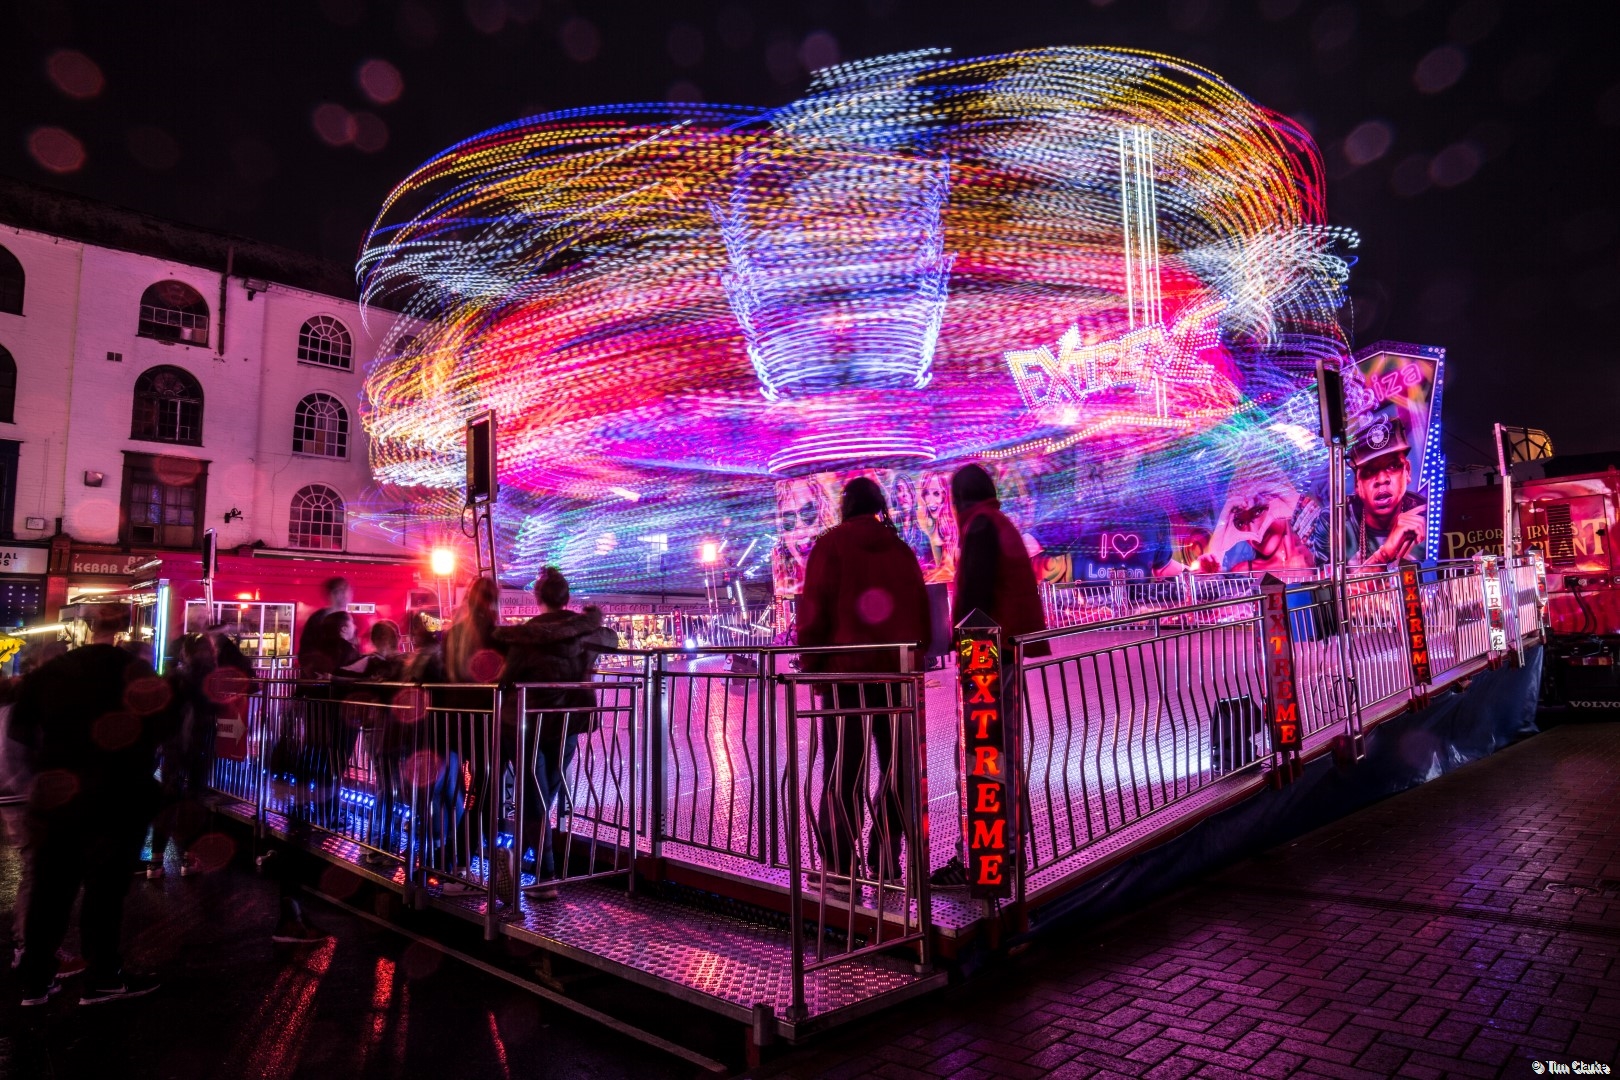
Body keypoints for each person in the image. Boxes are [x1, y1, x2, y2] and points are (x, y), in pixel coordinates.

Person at [10, 605, 174, 1005]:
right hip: (118, 797)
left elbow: (20, 733)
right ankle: (102, 976)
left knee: (51, 890)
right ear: (123, 629)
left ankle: (36, 980)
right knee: (105, 892)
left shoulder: (52, 672)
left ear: (84, 627)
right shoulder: (135, 672)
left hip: (58, 796)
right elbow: (162, 730)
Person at [797, 478, 933, 889]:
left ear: (846, 506)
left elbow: (814, 613)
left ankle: (840, 866)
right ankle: (887, 859)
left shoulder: (830, 546)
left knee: (844, 770)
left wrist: (814, 669)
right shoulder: (901, 549)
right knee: (895, 769)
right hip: (896, 677)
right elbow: (921, 612)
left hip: (846, 676)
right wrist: (915, 661)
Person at [932, 463, 1050, 889]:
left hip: (987, 655)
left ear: (958, 499)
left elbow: (975, 598)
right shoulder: (999, 522)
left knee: (981, 753)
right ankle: (1010, 846)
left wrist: (957, 641)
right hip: (1006, 650)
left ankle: (981, 858)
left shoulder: (980, 526)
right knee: (1002, 750)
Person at [492, 568, 617, 900]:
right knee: (543, 796)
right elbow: (611, 640)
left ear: (538, 597)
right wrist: (592, 620)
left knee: (534, 797)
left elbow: (506, 678)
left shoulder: (527, 636)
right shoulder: (585, 633)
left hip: (529, 722)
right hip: (568, 722)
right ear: (567, 597)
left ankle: (543, 875)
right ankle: (527, 864)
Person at [1344, 409, 1427, 569]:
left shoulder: (1427, 515)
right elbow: (1333, 584)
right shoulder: (1337, 522)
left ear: (1407, 471)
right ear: (1357, 485)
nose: (1382, 479)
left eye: (1393, 466)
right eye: (1370, 471)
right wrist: (1386, 551)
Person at [296, 577, 352, 677]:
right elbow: (307, 650)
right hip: (322, 677)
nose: (345, 595)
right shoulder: (318, 619)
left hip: (339, 676)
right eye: (340, 591)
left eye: (346, 590)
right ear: (331, 594)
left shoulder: (348, 618)